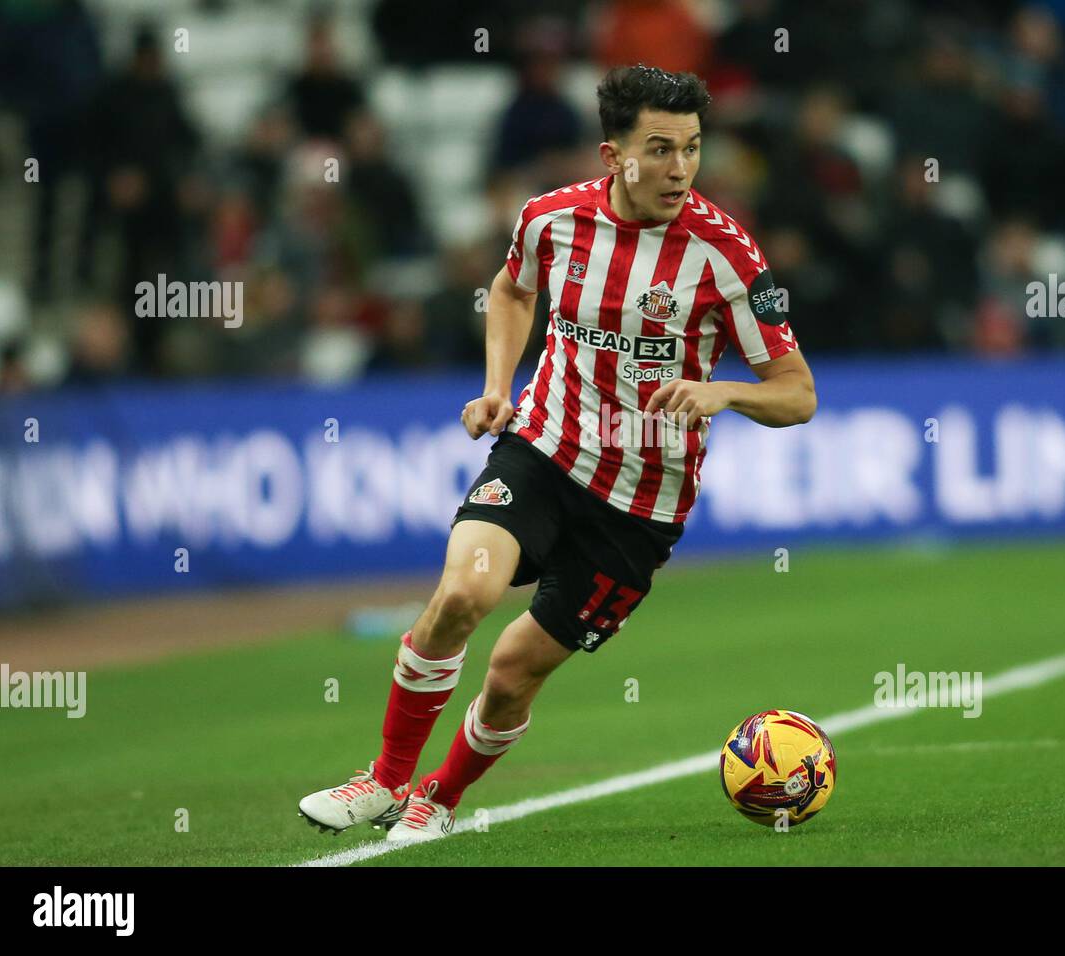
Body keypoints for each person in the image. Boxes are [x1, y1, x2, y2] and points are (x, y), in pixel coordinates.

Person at [298, 65, 816, 843]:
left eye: (693, 149)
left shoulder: (725, 256)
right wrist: (498, 385)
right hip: (543, 449)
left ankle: (437, 798)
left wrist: (724, 394)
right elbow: (511, 291)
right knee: (463, 595)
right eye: (660, 148)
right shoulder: (551, 220)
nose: (680, 168)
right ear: (614, 155)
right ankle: (383, 780)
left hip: (639, 507)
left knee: (510, 677)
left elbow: (798, 392)